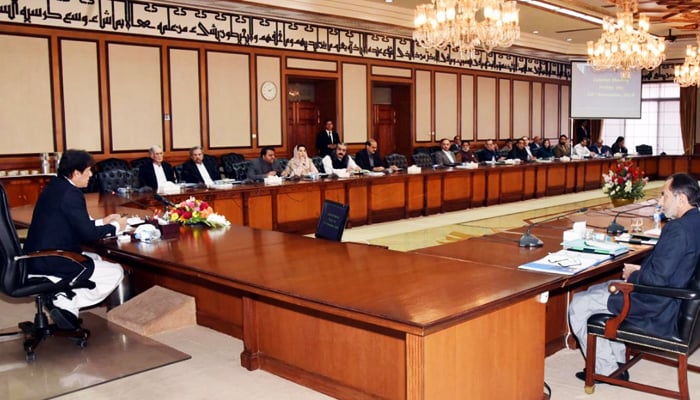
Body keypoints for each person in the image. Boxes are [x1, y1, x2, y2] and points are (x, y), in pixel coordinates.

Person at [568, 173, 700, 382]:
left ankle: (606, 370)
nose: (660, 201)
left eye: (664, 196)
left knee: (579, 303)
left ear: (681, 198)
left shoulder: (678, 229)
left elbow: (657, 279)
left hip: (656, 303)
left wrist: (633, 273)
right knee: (596, 290)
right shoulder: (695, 222)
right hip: (673, 298)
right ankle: (618, 361)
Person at [23, 149, 126, 330]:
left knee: (96, 259)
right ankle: (65, 300)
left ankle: (63, 297)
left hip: (35, 257)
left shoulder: (55, 186)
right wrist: (117, 227)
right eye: (88, 170)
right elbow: (86, 234)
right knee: (115, 271)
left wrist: (103, 221)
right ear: (76, 173)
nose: (91, 174)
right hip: (54, 259)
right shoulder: (71, 193)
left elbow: (73, 223)